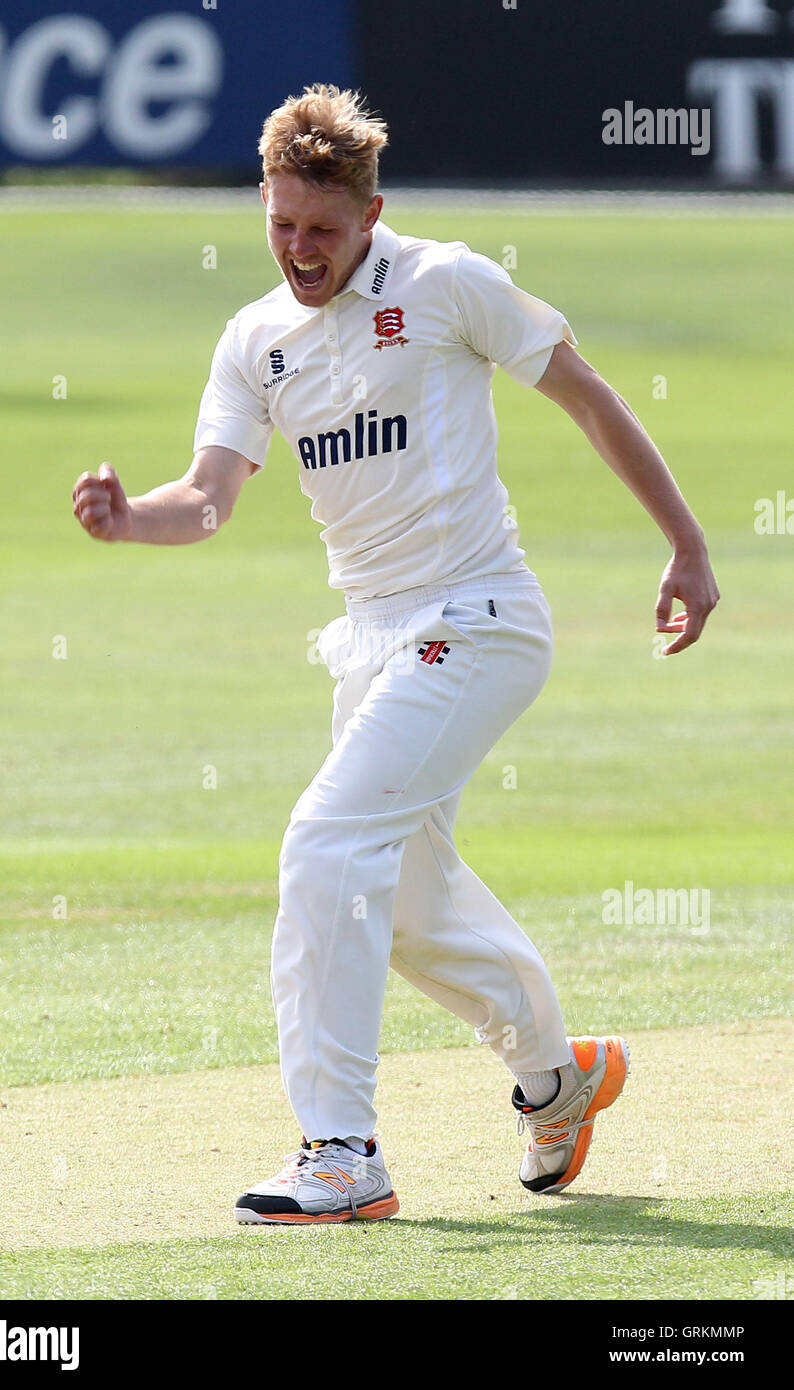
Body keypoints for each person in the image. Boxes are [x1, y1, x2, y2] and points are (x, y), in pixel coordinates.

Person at [72, 84, 719, 1225]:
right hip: (368, 641)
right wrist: (133, 520)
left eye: (321, 228)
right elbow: (210, 497)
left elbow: (587, 398)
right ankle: (555, 1081)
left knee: (324, 841)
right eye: (279, 225)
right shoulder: (253, 339)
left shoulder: (444, 282)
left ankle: (339, 1148)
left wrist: (685, 542)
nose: (298, 250)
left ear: (372, 212)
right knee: (406, 908)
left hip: (479, 615)